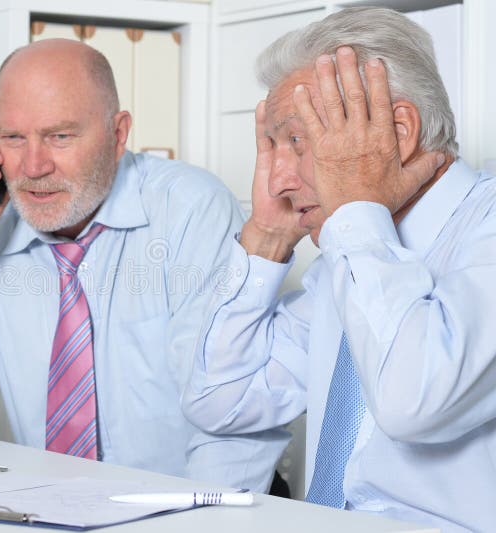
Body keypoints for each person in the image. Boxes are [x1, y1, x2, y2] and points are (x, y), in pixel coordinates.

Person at [0, 38, 288, 492]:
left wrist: (197, 522)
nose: (34, 166)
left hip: (181, 509)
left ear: (118, 135)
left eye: (60, 136)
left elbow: (229, 422)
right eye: (12, 138)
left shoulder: (189, 208)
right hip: (51, 508)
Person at [182, 7, 496, 531]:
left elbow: (413, 401)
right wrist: (267, 235)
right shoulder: (349, 259)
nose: (279, 178)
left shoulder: (472, 231)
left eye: (298, 142)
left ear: (396, 132)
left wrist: (355, 209)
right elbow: (222, 400)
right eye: (273, 148)